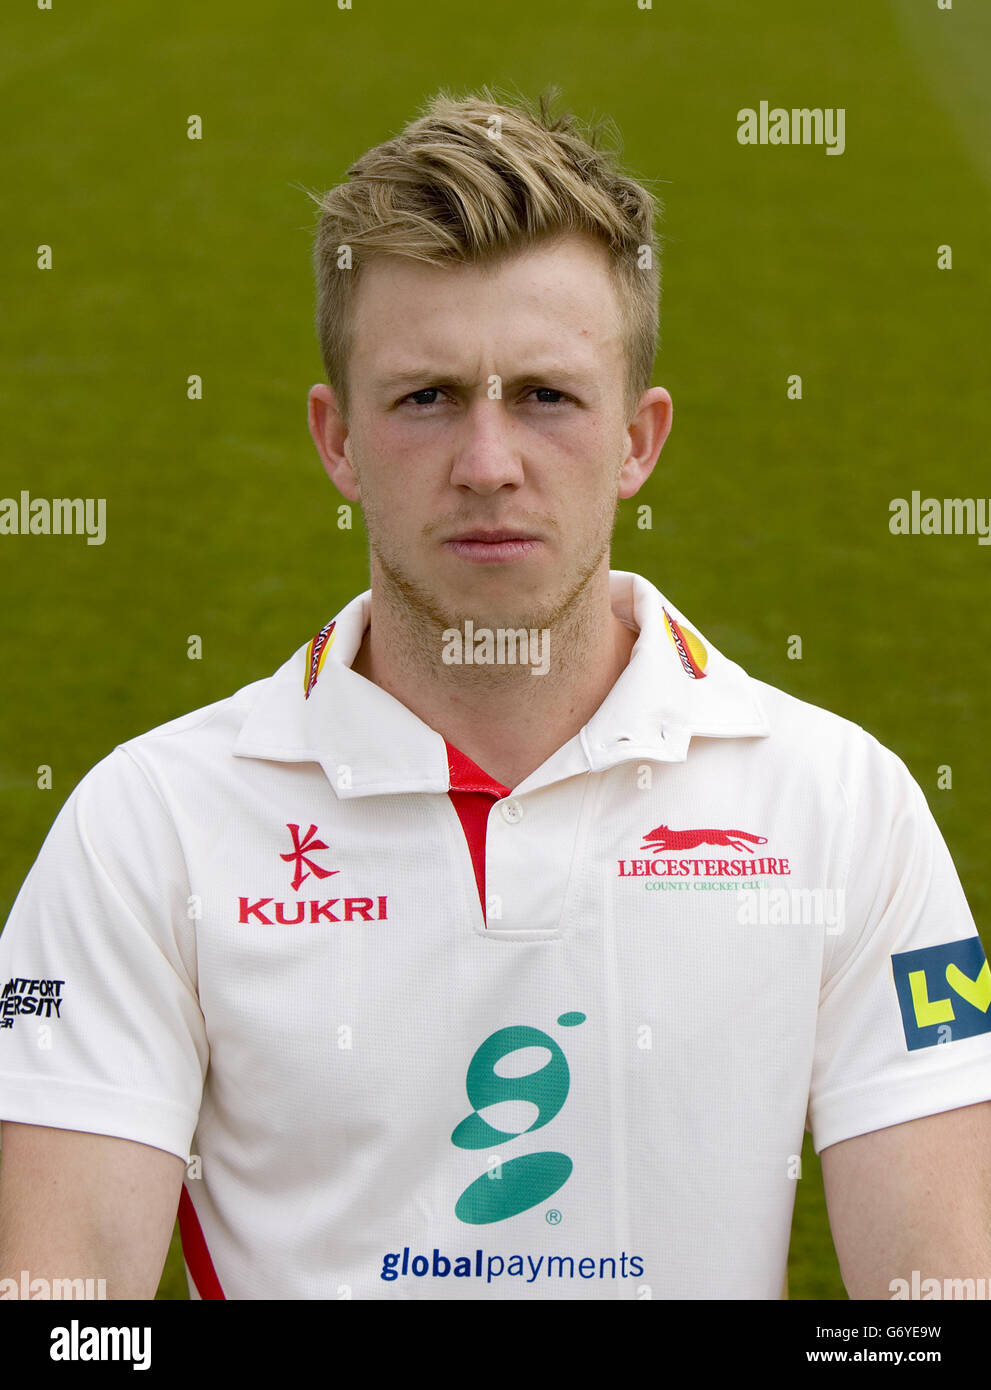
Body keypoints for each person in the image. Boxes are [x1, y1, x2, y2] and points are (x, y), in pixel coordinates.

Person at [1, 87, 989, 1302]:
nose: (487, 464)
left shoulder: (842, 808)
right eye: (425, 398)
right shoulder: (145, 828)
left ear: (638, 437)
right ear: (337, 441)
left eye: (545, 395)